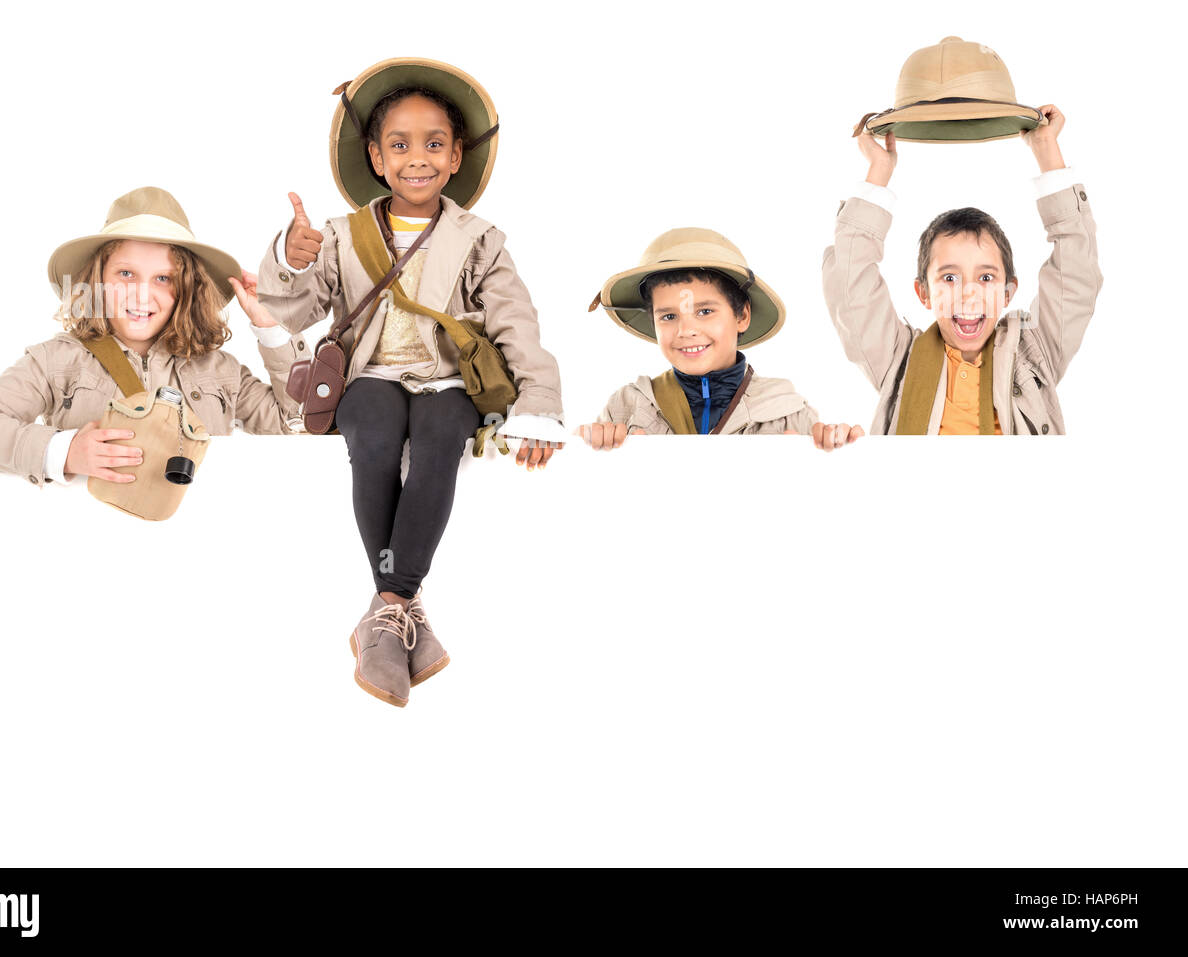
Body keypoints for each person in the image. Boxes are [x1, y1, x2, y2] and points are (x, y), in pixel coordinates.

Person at [254, 58, 564, 707]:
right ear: (374, 154)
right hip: (369, 374)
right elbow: (293, 310)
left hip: (448, 380)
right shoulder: (340, 236)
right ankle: (404, 612)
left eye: (433, 144)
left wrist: (538, 401)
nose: (416, 158)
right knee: (370, 442)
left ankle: (386, 610)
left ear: (455, 158)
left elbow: (516, 320)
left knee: (438, 446)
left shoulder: (480, 241)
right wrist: (290, 258)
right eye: (399, 143)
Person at [0, 186, 304, 491]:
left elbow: (297, 429)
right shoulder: (56, 361)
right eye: (126, 273)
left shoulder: (221, 370)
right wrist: (64, 451)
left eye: (163, 278)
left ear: (187, 289)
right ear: (97, 279)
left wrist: (273, 326)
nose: (142, 295)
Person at [822, 105, 1101, 434]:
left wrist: (1046, 150)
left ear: (1008, 291)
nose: (968, 292)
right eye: (950, 277)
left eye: (986, 277)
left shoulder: (1032, 355)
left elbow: (1077, 272)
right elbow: (849, 282)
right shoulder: (898, 360)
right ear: (923, 293)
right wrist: (879, 170)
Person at [581, 228, 862, 450]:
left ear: (742, 316)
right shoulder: (627, 408)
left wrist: (840, 447)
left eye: (704, 311)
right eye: (668, 316)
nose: (686, 331)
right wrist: (594, 446)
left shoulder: (787, 412)